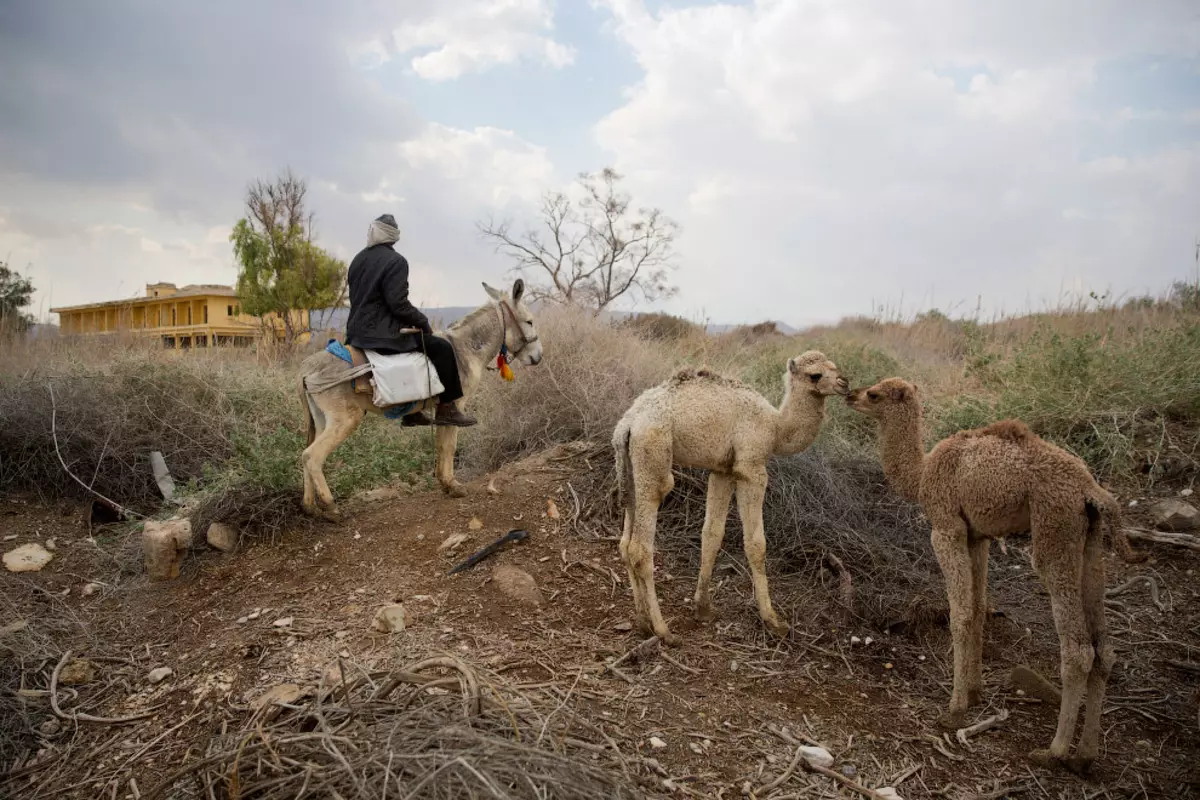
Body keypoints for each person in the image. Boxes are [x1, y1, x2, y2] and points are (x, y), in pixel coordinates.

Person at [344, 214, 477, 427]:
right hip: (381, 335)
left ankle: (412, 411)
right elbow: (398, 303)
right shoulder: (396, 261)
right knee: (441, 348)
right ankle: (446, 408)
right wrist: (423, 322)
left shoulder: (358, 259)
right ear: (393, 236)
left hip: (356, 335)